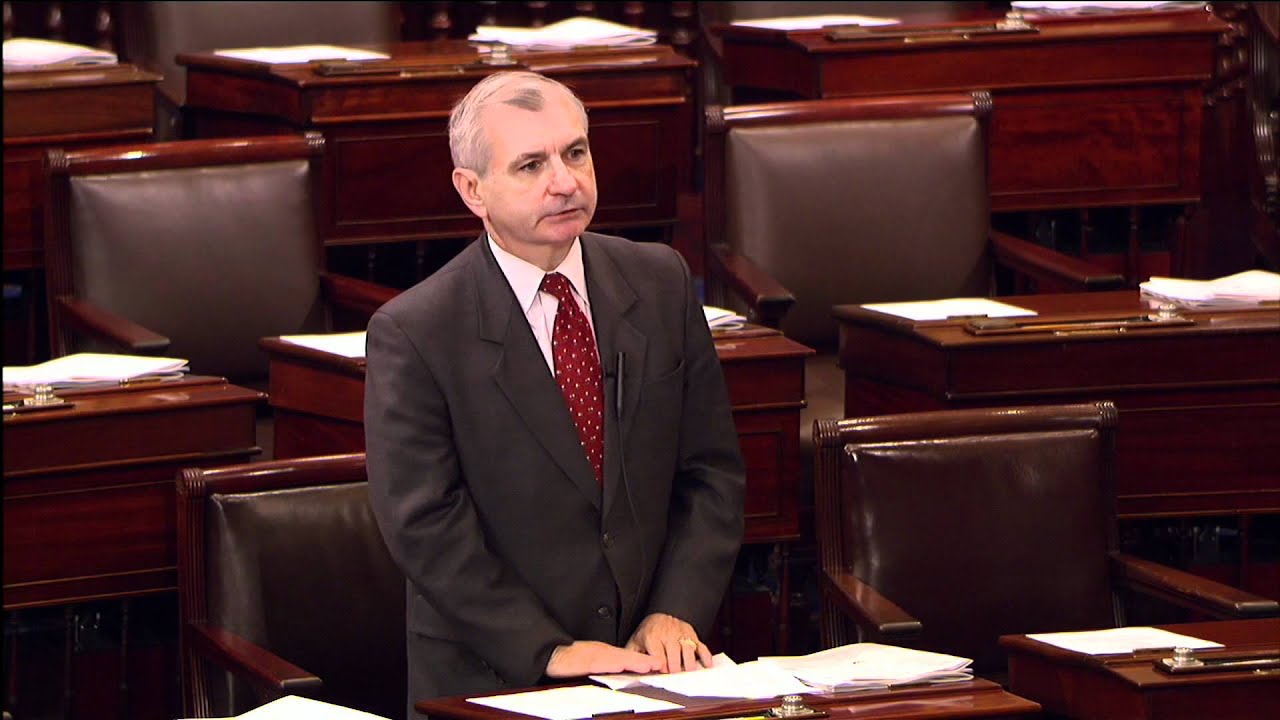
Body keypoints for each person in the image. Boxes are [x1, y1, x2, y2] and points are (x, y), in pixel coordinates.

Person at [363, 70, 746, 711]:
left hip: (652, 667)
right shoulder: (417, 330)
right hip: (495, 676)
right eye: (531, 165)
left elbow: (711, 473)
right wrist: (548, 650)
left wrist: (675, 610)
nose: (565, 182)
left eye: (575, 153)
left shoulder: (661, 282)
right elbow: (423, 524)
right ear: (472, 190)